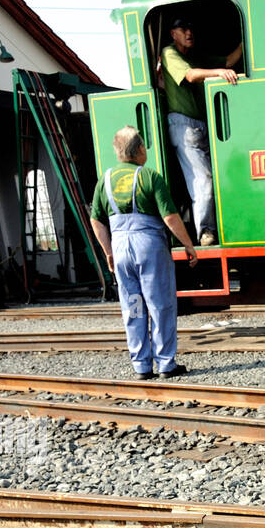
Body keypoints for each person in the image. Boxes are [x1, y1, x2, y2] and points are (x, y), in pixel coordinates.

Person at [90, 126, 197, 378]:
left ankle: (141, 366)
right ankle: (166, 364)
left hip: (120, 247)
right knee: (160, 304)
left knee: (133, 306)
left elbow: (97, 220)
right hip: (149, 246)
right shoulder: (150, 176)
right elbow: (170, 217)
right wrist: (188, 245)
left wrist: (108, 252)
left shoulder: (104, 180)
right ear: (139, 149)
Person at [161, 13, 242, 246]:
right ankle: (205, 232)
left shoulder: (195, 56)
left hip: (203, 125)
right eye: (182, 28)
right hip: (183, 125)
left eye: (190, 28)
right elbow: (190, 75)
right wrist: (218, 73)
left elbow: (227, 61)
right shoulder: (170, 53)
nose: (188, 33)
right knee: (202, 179)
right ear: (172, 34)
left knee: (218, 177)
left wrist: (245, 42)